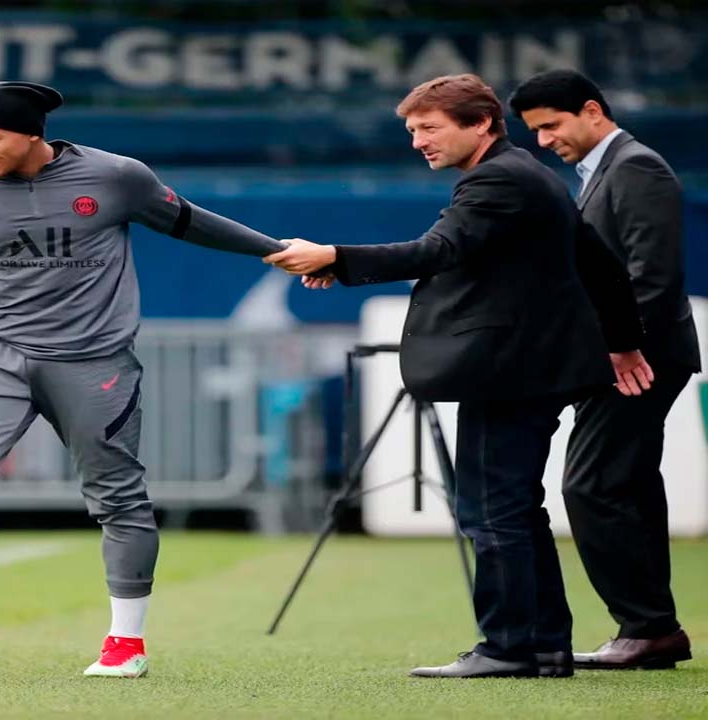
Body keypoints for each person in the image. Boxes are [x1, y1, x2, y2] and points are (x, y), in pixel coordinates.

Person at [0, 81, 287, 678]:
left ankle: (126, 644)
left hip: (94, 363)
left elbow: (190, 222)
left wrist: (274, 250)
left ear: (31, 134)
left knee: (118, 499)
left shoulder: (117, 177)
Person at [264, 74, 649, 679]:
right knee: (514, 507)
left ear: (481, 123)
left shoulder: (499, 178)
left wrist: (335, 256)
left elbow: (435, 250)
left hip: (511, 371)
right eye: (412, 130)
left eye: (429, 127)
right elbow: (599, 262)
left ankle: (509, 647)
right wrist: (623, 342)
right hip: (527, 367)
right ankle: (541, 645)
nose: (418, 141)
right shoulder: (525, 174)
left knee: (492, 509)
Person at [510, 69, 699, 670]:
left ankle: (647, 627)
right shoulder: (607, 170)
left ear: (593, 110)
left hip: (638, 357)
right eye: (536, 132)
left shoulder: (636, 167)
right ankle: (652, 630)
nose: (544, 141)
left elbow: (654, 275)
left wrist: (622, 347)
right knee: (628, 484)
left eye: (551, 126)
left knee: (592, 485)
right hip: (627, 353)